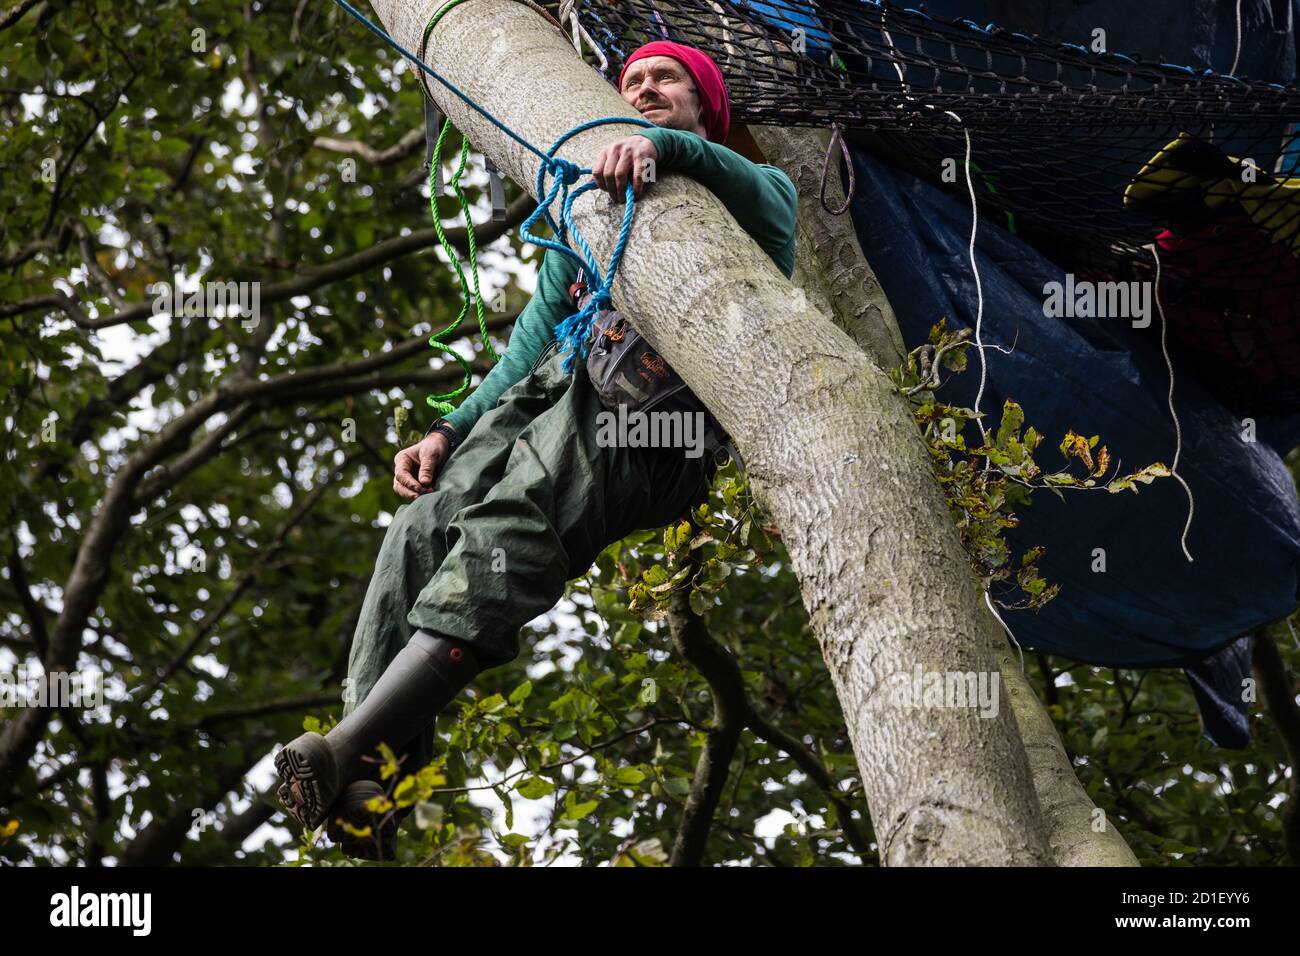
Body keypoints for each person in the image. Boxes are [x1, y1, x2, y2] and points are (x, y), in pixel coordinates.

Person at [274, 40, 799, 859]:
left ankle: (345, 753)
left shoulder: (755, 191)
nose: (649, 88)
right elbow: (524, 353)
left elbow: (739, 180)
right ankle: (372, 779)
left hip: (647, 417)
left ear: (706, 109)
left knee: (506, 536)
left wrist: (661, 147)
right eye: (634, 83)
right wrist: (447, 431)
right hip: (546, 395)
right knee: (417, 534)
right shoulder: (585, 218)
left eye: (668, 81)